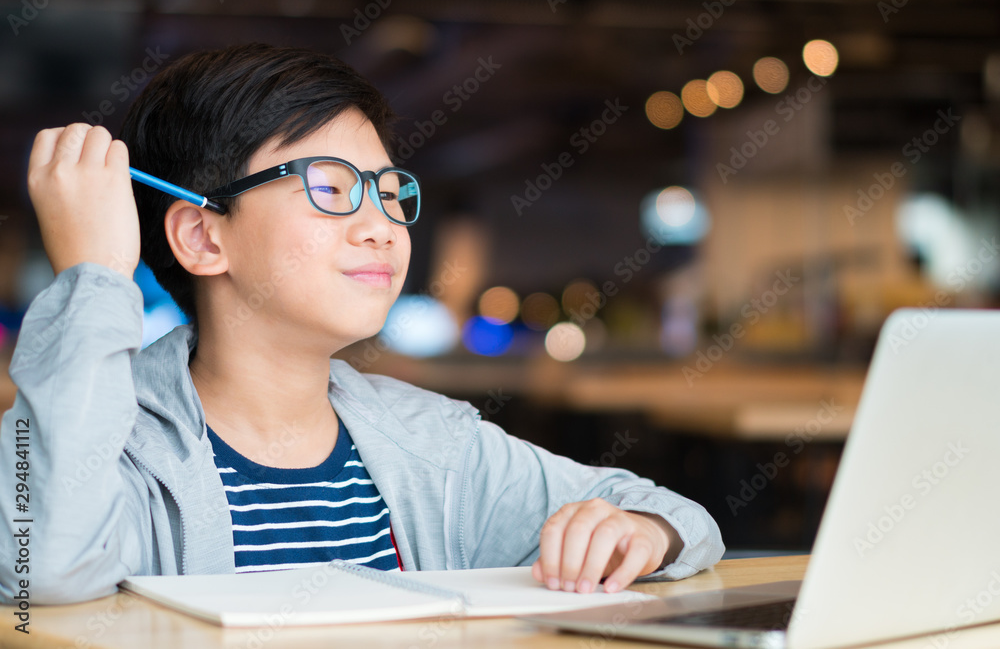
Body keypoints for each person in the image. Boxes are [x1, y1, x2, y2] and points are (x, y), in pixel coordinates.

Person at [0, 43, 723, 605]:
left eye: (388, 190)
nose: (382, 226)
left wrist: (640, 532)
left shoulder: (434, 448)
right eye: (330, 187)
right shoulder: (109, 444)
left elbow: (679, 517)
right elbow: (41, 572)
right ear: (202, 237)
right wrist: (92, 278)